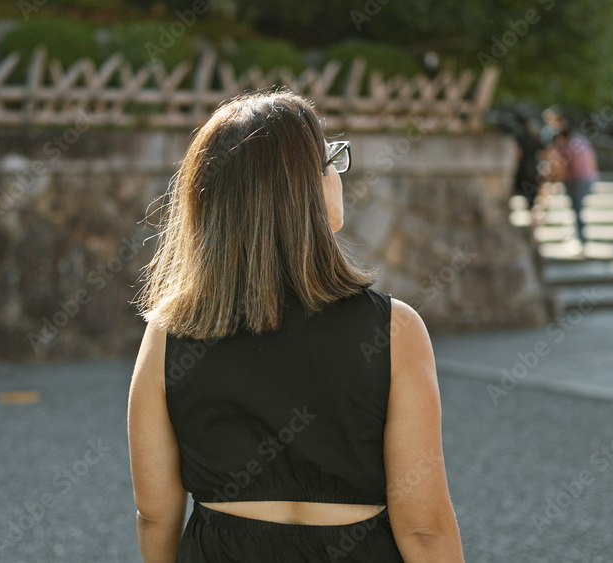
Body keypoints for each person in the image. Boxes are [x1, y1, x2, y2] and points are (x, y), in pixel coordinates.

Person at [127, 90, 463, 562]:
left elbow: (154, 513)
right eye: (330, 159)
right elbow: (425, 529)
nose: (337, 174)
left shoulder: (170, 331)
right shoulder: (394, 329)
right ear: (306, 186)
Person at [554, 124, 598, 251]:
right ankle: (580, 236)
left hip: (577, 180)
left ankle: (580, 237)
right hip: (588, 178)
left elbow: (564, 167)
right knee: (579, 208)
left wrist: (557, 181)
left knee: (577, 209)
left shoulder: (567, 147)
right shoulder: (581, 141)